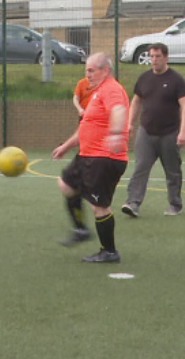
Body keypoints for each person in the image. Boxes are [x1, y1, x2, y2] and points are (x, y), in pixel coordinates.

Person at [51, 53, 129, 263]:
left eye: (92, 70)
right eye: (86, 70)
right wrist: (66, 146)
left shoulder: (112, 89)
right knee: (66, 185)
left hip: (103, 158)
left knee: (100, 206)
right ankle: (81, 229)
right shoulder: (97, 93)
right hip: (86, 156)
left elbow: (119, 110)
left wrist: (116, 135)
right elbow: (86, 126)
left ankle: (109, 251)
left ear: (106, 70)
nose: (88, 75)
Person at [121, 43, 185, 218]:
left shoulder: (176, 80)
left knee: (172, 171)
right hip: (146, 133)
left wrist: (183, 132)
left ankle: (175, 204)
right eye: (151, 56)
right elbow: (136, 101)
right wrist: (129, 123)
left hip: (169, 133)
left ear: (166, 57)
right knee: (141, 167)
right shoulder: (144, 78)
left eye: (158, 56)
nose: (154, 60)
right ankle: (133, 203)